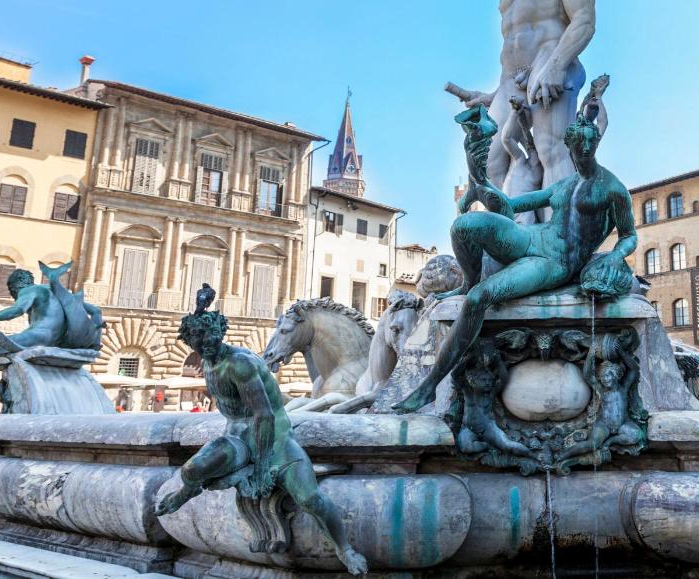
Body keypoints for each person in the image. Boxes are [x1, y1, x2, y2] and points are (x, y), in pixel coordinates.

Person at [394, 109, 636, 413]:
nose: (581, 154)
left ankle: (429, 386)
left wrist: (615, 256)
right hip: (532, 237)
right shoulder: (564, 185)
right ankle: (467, 283)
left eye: (586, 149)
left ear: (594, 146)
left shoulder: (612, 189)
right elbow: (510, 206)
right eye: (576, 149)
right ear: (571, 149)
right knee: (465, 226)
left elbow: (629, 235)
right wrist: (480, 185)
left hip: (554, 262)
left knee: (481, 298)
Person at [155, 286, 367, 575]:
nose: (203, 344)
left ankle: (345, 548)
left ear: (220, 334)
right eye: (196, 340)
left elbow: (264, 415)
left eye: (208, 337)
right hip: (237, 438)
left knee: (310, 499)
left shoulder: (240, 364)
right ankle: (185, 493)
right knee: (191, 470)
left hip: (274, 437)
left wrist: (264, 464)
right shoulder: (207, 362)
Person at [448, 0, 598, 203]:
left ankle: (562, 236)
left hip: (552, 63)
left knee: (551, 147)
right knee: (490, 159)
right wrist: (491, 96)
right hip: (511, 83)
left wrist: (556, 65)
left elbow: (584, 21)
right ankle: (509, 238)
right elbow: (513, 54)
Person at [0, 262, 102, 416]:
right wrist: (96, 342)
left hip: (36, 337)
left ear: (15, 287)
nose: (16, 297)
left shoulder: (29, 290)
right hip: (52, 340)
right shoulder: (56, 293)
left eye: (14, 294)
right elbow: (96, 311)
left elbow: (16, 311)